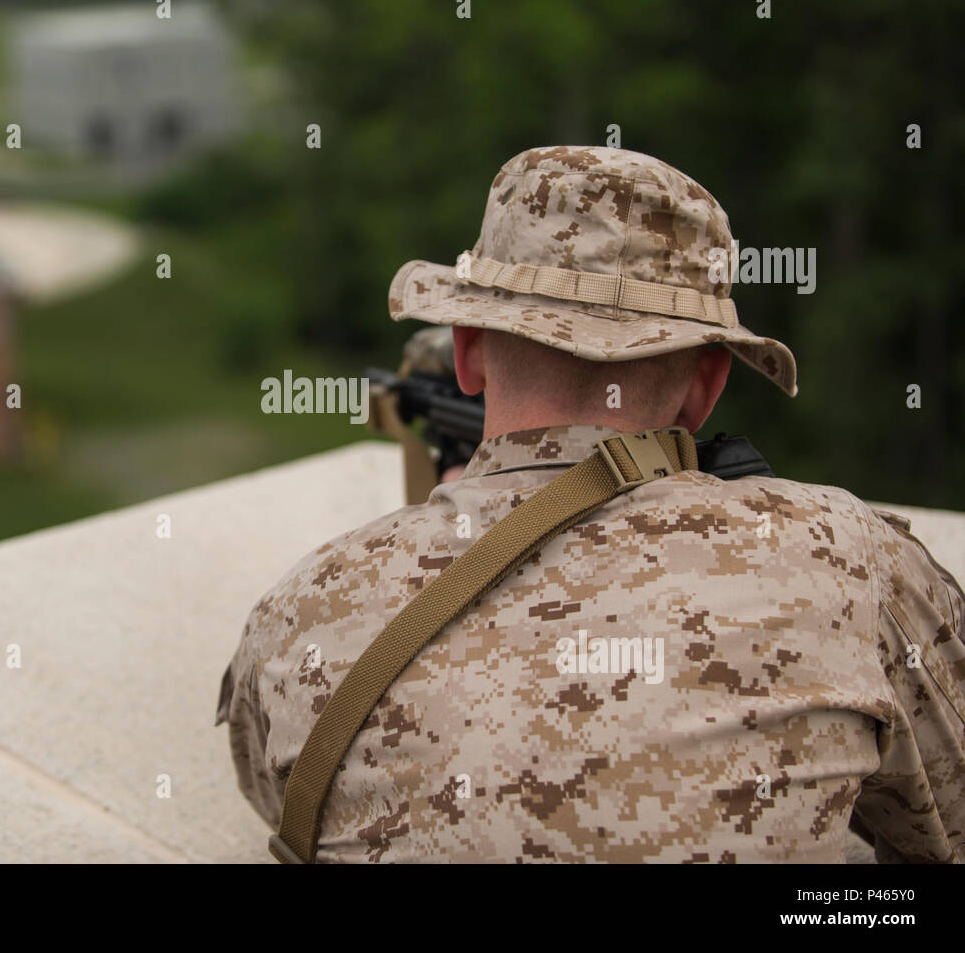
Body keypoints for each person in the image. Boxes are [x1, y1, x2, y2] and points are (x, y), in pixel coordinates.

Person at [216, 146, 965, 863]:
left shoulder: (297, 614)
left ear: (469, 352)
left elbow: (287, 808)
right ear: (709, 384)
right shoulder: (850, 560)